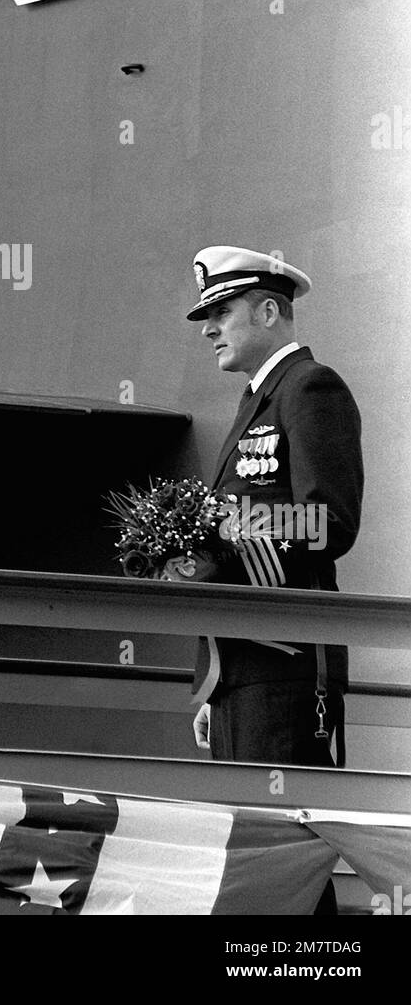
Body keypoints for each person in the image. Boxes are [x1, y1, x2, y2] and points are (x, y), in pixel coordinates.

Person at [185, 247, 363, 771]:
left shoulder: (310, 386)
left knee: (279, 841)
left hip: (288, 661)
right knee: (247, 839)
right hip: (244, 667)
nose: (208, 330)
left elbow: (331, 522)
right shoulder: (257, 399)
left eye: (221, 313)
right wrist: (217, 683)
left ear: (267, 311)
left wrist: (226, 527)